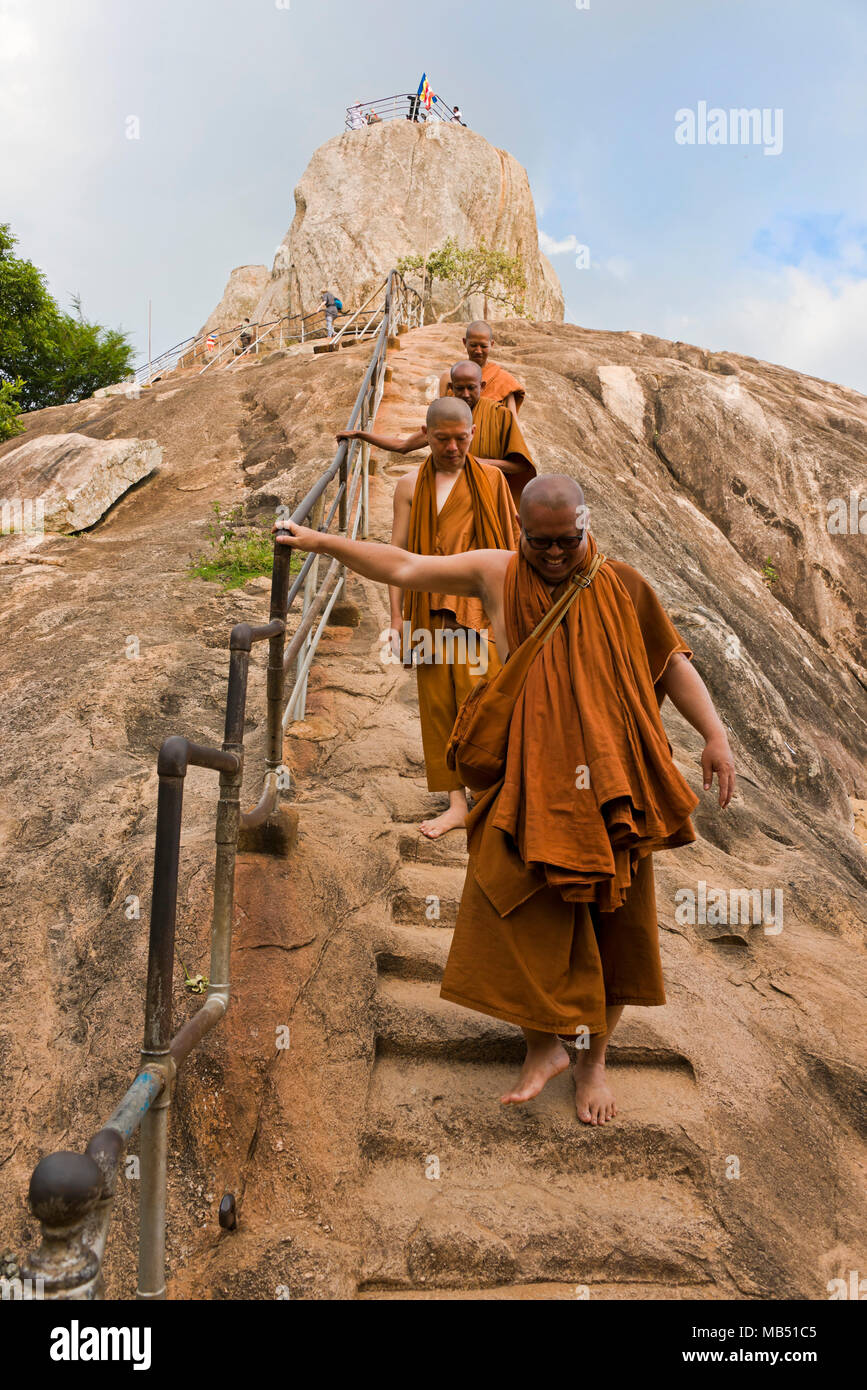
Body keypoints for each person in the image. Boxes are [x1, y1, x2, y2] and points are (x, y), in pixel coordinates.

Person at [274, 474, 735, 1123]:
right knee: (506, 900)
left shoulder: (624, 585)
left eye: (566, 541)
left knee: (616, 926)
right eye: (539, 542)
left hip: (611, 783)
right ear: (521, 530)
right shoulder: (497, 573)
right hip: (527, 777)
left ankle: (592, 1065)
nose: (551, 554)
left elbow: (671, 665)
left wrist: (714, 735)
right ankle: (541, 1046)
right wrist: (321, 540)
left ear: (587, 523)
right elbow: (406, 565)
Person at [349, 396, 519, 839]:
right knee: (439, 708)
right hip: (427, 610)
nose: (451, 448)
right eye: (441, 439)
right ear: (425, 436)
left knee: (484, 702)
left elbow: (512, 550)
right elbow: (396, 555)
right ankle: (456, 803)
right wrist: (396, 617)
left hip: (479, 611)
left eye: (460, 439)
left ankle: (497, 794)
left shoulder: (494, 482)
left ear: (473, 435)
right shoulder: (409, 485)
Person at [337, 360, 536, 505]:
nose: (465, 394)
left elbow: (520, 466)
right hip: (448, 498)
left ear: (482, 387)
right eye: (460, 388)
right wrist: (361, 435)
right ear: (451, 388)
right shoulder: (445, 417)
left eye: (471, 388)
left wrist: (478, 463)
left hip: (489, 498)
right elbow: (403, 446)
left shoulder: (501, 416)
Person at [440, 321, 525, 419]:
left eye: (483, 346)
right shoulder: (448, 377)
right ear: (464, 342)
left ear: (491, 344)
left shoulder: (504, 380)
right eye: (473, 345)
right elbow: (440, 415)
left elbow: (512, 419)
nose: (478, 351)